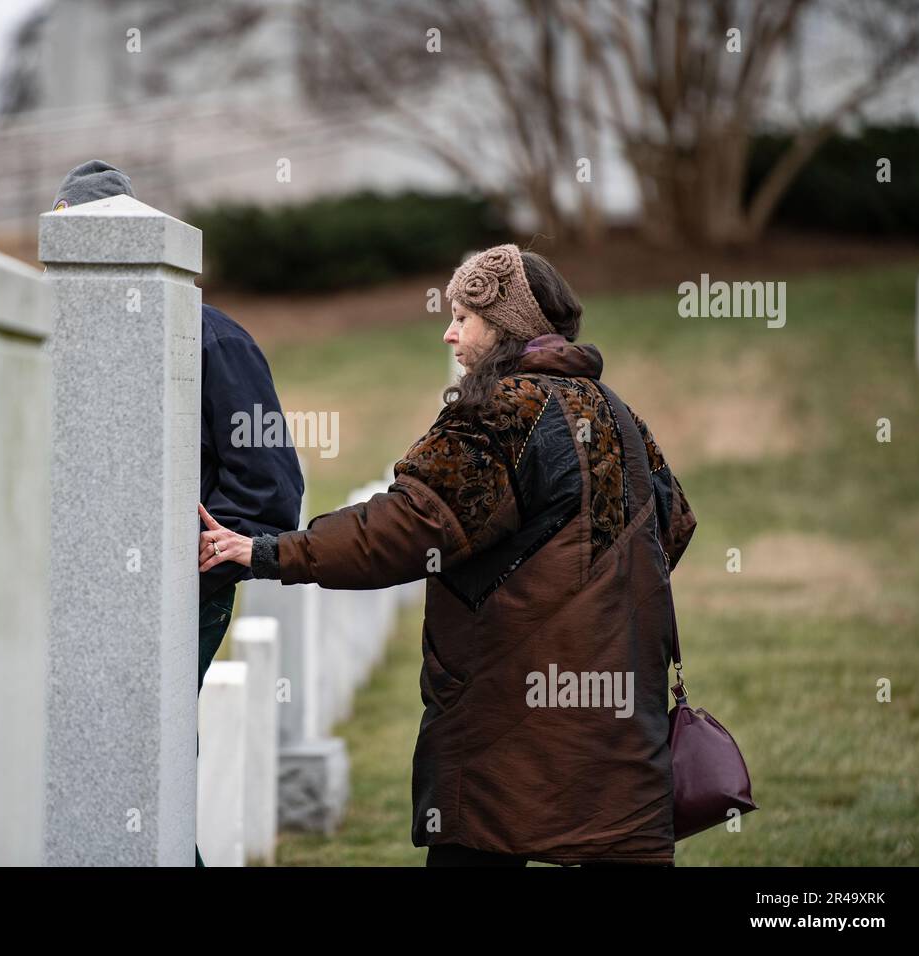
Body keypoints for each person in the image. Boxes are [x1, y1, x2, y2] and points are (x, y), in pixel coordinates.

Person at [198, 243, 696, 867]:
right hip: (623, 710)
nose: (448, 332)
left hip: (505, 718)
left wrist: (272, 551)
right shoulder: (619, 413)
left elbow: (402, 528)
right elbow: (673, 525)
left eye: (463, 317)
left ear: (506, 325)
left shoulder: (499, 411)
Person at [51, 160, 305, 867]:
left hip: (179, 596)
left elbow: (271, 487)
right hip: (71, 600)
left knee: (140, 773)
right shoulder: (55, 336)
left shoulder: (216, 341)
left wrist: (184, 567)